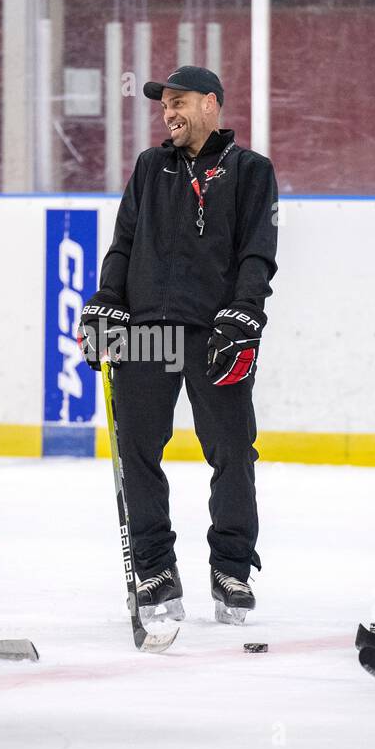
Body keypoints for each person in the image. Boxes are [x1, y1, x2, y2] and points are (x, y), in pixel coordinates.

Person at [80, 65, 279, 625]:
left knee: (233, 452)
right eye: (164, 104)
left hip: (216, 332)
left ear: (211, 104)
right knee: (136, 452)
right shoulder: (150, 166)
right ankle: (155, 566)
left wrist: (245, 313)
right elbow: (123, 242)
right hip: (146, 332)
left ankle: (232, 567)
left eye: (179, 101)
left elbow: (258, 252)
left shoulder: (250, 171)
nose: (168, 112)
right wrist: (105, 298)